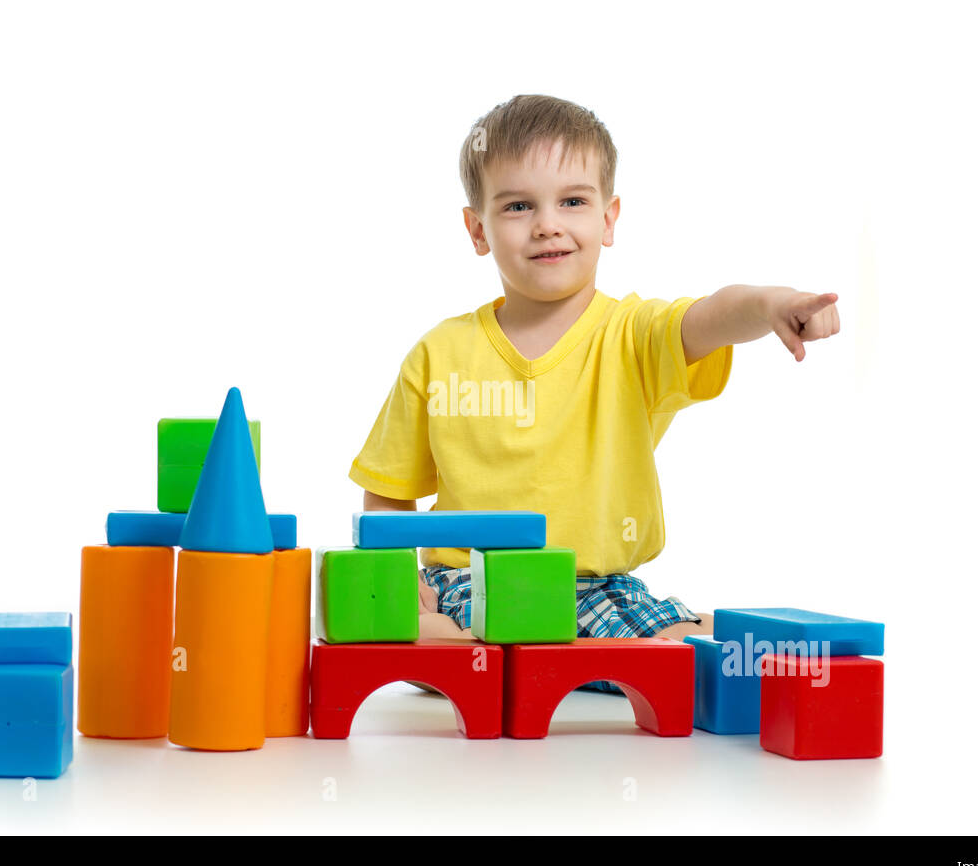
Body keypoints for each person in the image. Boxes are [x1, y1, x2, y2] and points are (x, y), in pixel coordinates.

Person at [348, 94, 839, 690]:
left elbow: (710, 316)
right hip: (469, 584)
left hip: (598, 589)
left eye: (573, 202)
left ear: (608, 220)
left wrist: (770, 305)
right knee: (429, 642)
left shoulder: (633, 335)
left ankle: (763, 651)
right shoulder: (437, 353)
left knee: (684, 647)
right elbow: (388, 492)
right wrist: (409, 589)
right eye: (518, 205)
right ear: (477, 229)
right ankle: (539, 661)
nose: (547, 223)